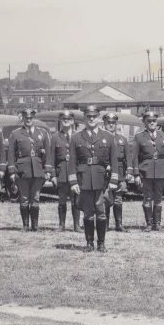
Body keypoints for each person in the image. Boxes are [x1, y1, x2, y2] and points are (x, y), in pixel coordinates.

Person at [72, 105, 120, 252]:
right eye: (88, 116)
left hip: (101, 180)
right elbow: (72, 161)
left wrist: (113, 180)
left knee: (101, 211)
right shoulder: (76, 137)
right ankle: (89, 243)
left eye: (94, 116)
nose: (91, 119)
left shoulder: (108, 137)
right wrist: (73, 181)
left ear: (98, 118)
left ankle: (101, 243)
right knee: (87, 212)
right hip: (84, 179)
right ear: (84, 118)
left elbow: (114, 161)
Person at [6, 109, 52, 232]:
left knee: (36, 198)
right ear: (23, 118)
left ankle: (35, 225)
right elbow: (10, 154)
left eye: (31, 117)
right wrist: (11, 171)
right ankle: (25, 225)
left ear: (34, 118)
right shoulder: (16, 134)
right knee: (24, 198)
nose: (29, 119)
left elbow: (48, 153)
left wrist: (47, 170)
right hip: (22, 170)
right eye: (26, 117)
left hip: (37, 170)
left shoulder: (42, 133)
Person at [131, 111, 164, 232]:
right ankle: (149, 223)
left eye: (154, 120)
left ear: (157, 121)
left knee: (158, 197)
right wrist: (136, 174)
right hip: (146, 171)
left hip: (160, 170)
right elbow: (135, 157)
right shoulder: (139, 136)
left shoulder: (163, 135)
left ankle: (157, 223)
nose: (152, 122)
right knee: (147, 197)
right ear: (144, 122)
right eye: (149, 121)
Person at [103, 113, 132, 232]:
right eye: (108, 123)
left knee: (118, 198)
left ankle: (119, 224)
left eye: (113, 123)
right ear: (104, 124)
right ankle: (104, 225)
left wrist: (129, 171)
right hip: (105, 171)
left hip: (119, 170)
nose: (111, 125)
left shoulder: (122, 139)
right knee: (105, 197)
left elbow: (128, 157)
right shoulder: (101, 137)